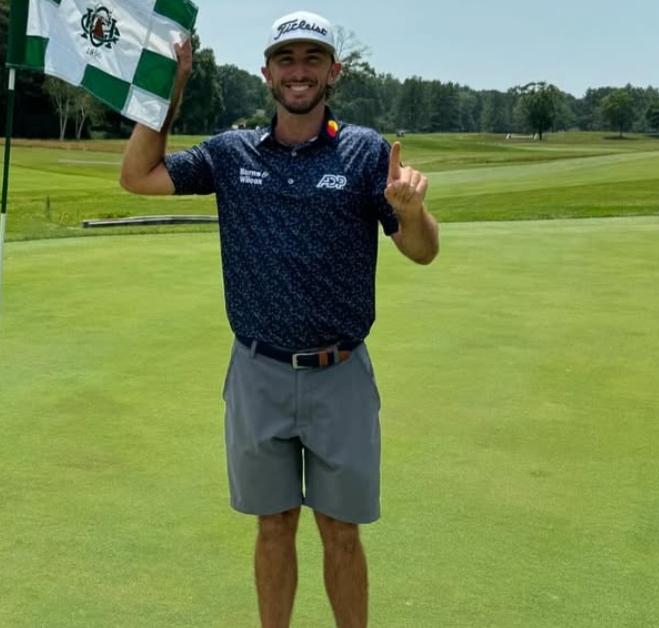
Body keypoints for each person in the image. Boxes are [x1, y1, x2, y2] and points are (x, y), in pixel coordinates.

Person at [119, 10, 439, 628]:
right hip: (257, 370)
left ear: (333, 72)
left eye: (312, 59)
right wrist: (169, 90)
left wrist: (413, 213)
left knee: (341, 531)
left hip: (339, 371)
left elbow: (422, 251)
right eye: (286, 60)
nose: (299, 72)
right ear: (267, 72)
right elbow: (138, 176)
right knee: (273, 526)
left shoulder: (367, 152)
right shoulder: (231, 153)